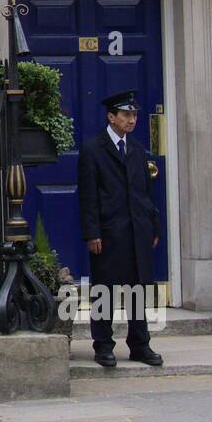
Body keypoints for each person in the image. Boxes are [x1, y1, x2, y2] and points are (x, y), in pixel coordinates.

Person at [77, 89, 163, 368]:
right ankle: (103, 345)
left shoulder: (137, 149)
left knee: (138, 289)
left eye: (134, 115)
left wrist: (154, 226)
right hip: (108, 231)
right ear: (111, 117)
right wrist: (92, 233)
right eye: (126, 114)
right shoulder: (92, 148)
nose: (132, 119)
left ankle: (140, 344)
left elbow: (146, 193)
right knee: (105, 291)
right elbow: (88, 195)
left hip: (138, 229)